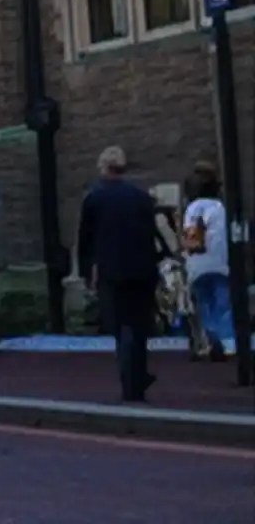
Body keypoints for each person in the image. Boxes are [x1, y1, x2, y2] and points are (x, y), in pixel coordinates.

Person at [77, 146, 161, 402]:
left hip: (111, 271)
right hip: (142, 269)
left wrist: (85, 272)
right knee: (139, 327)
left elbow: (86, 240)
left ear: (103, 168)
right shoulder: (141, 197)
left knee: (120, 327)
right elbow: (151, 234)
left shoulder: (94, 198)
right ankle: (139, 375)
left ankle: (129, 381)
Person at [181, 163, 232, 362]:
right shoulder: (219, 208)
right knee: (223, 304)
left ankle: (209, 338)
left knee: (203, 303)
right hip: (220, 262)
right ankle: (226, 341)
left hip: (197, 263)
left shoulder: (191, 209)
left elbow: (190, 237)